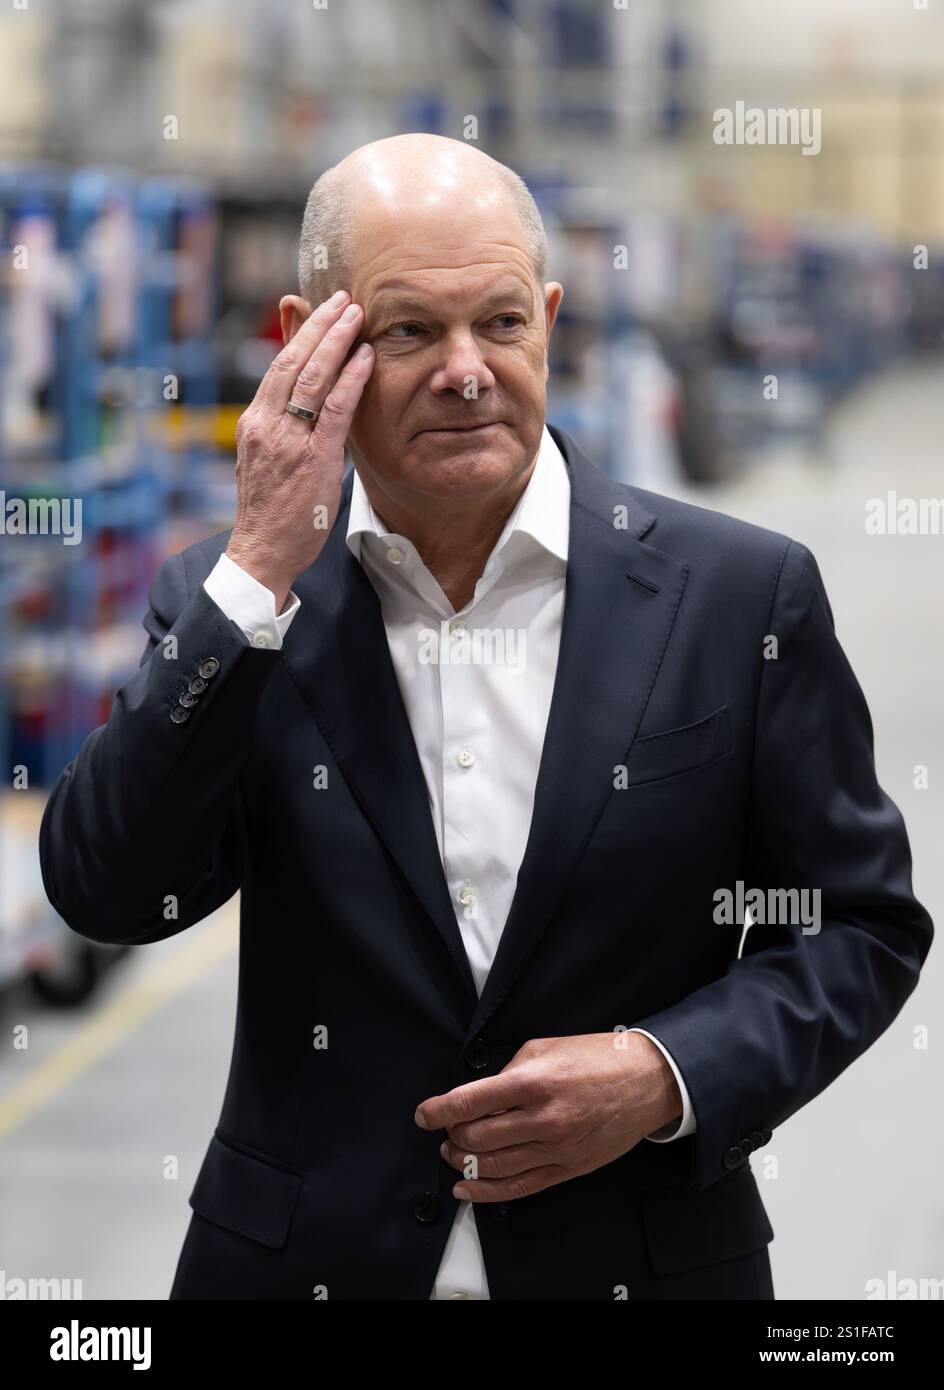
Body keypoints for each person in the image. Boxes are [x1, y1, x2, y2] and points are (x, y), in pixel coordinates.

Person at [39, 133, 933, 1301]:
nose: (465, 369)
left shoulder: (733, 597)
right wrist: (257, 567)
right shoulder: (239, 604)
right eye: (408, 330)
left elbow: (855, 924)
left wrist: (662, 1073)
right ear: (311, 340)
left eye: (500, 323)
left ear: (550, 317)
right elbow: (109, 889)